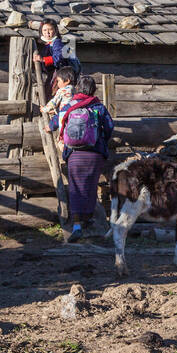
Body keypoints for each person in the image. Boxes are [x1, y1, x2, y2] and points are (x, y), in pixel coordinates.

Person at [51, 74, 114, 243]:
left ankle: (77, 226)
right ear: (93, 89)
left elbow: (57, 121)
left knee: (75, 188)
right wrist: (102, 141)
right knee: (91, 187)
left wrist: (50, 126)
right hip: (94, 154)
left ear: (78, 88)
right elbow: (109, 127)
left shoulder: (69, 104)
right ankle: (88, 220)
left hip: (74, 154)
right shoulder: (98, 106)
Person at [34, 20, 67, 91]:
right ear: (41, 32)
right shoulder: (47, 44)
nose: (47, 33)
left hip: (59, 74)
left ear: (55, 30)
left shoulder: (57, 43)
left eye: (50, 29)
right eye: (44, 30)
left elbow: (59, 57)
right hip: (51, 74)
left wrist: (43, 59)